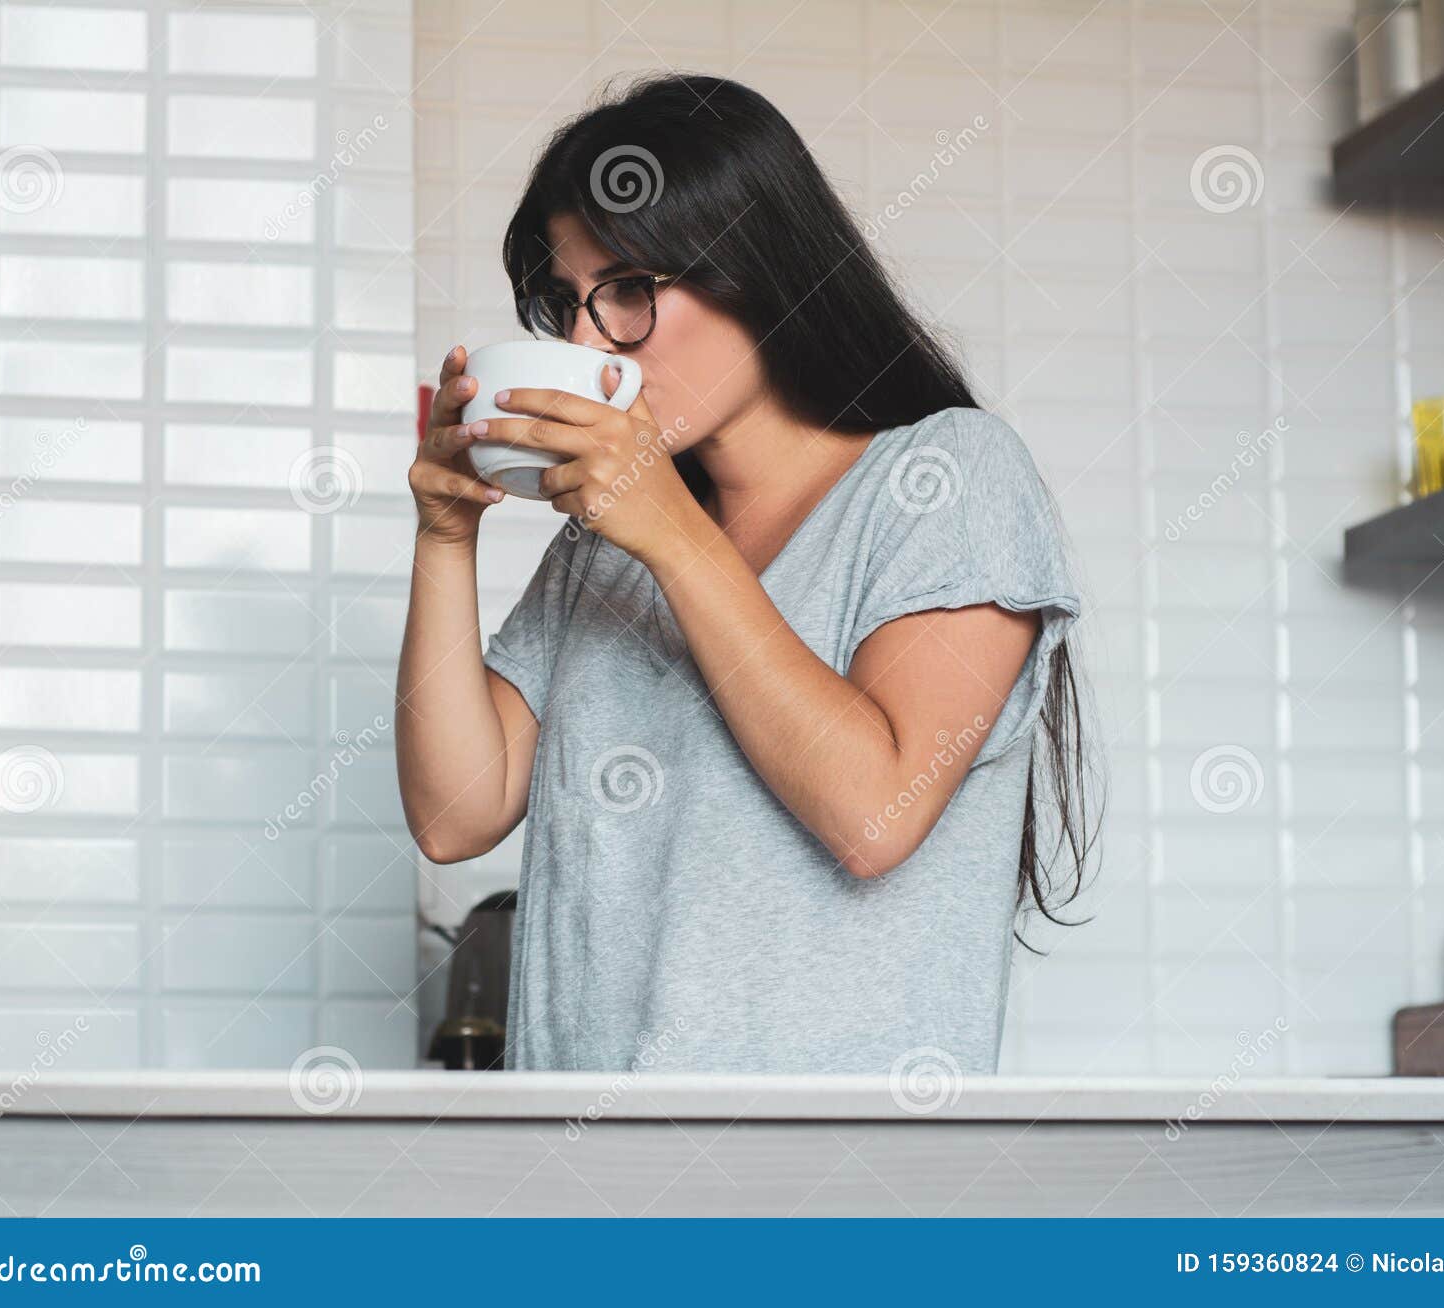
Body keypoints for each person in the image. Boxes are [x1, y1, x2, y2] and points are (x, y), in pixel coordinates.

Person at [397, 73, 1098, 1075]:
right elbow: (455, 812)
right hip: (580, 1180)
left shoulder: (947, 479)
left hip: (830, 1193)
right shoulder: (603, 547)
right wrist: (444, 537)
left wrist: (676, 538)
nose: (591, 342)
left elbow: (874, 815)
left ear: (757, 271)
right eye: (566, 302)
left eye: (630, 291)